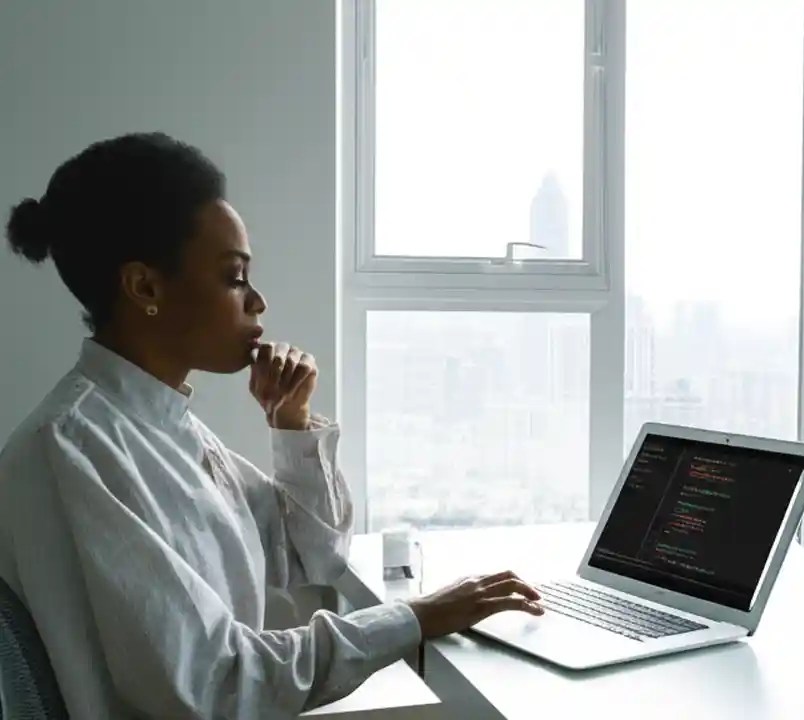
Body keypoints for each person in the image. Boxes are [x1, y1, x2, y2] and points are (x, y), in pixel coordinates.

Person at [0, 133, 544, 718]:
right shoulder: (73, 449)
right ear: (145, 287)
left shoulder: (161, 426)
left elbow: (312, 558)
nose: (257, 301)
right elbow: (219, 684)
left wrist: (292, 425)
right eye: (234, 278)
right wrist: (417, 617)